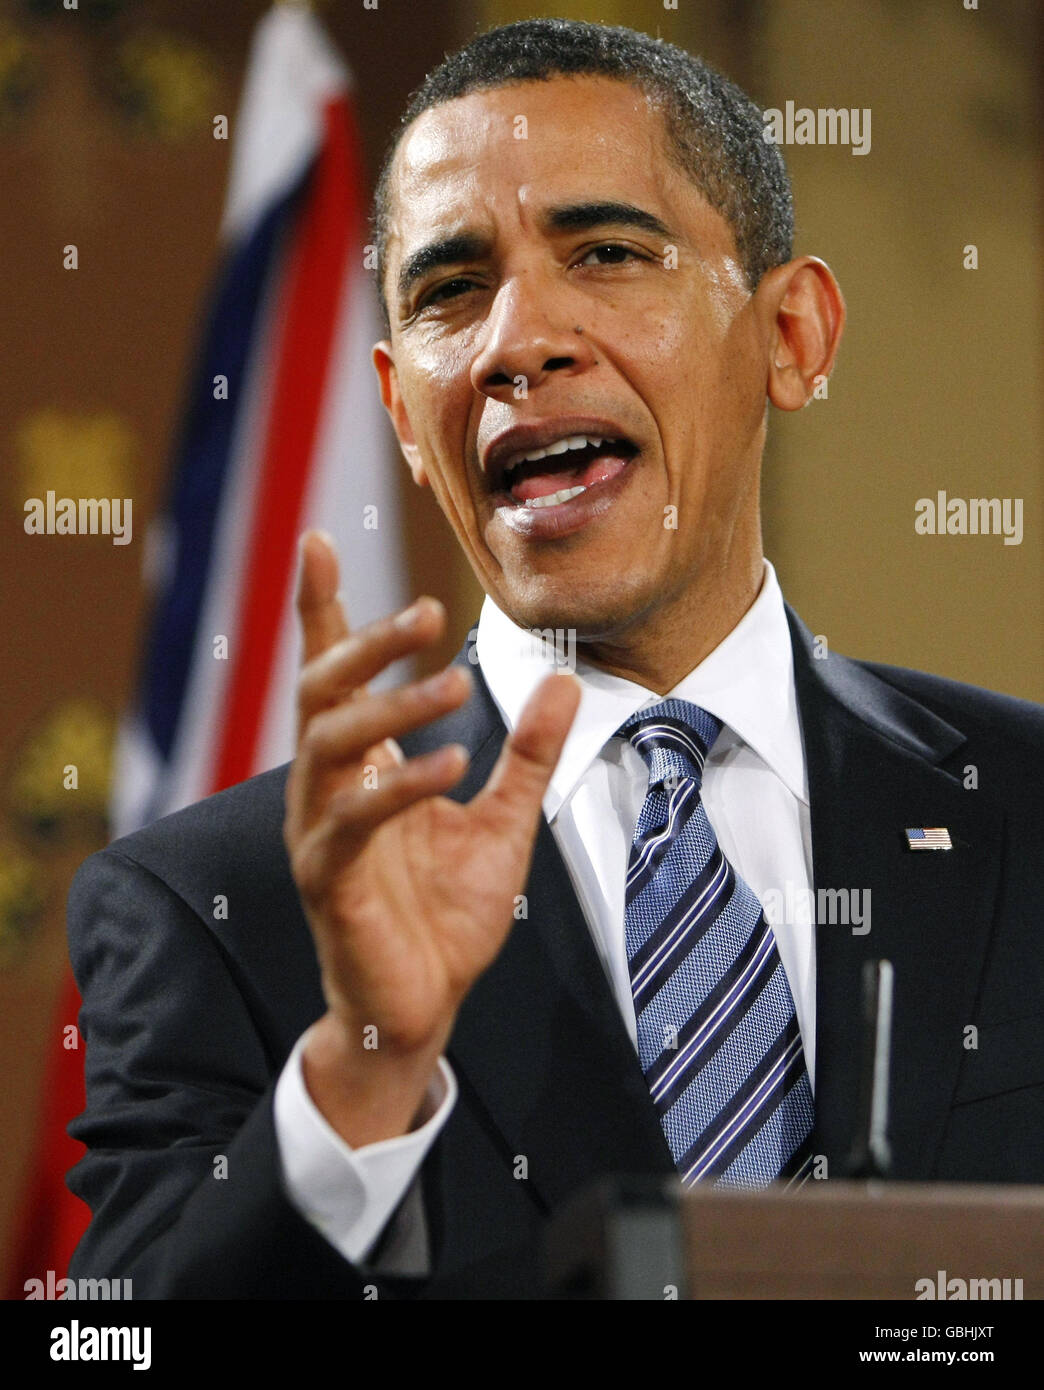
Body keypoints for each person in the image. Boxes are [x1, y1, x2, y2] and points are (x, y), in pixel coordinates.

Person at [66, 19, 1043, 1299]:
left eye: (607, 253)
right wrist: (365, 1072)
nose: (520, 340)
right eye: (450, 291)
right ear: (404, 412)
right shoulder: (214, 909)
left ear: (793, 337)